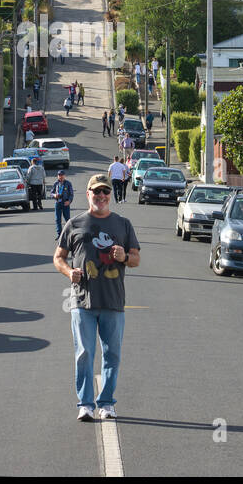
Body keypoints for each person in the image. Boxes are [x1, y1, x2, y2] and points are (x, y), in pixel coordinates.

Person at [53, 173, 141, 421]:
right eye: (96, 191)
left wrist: (124, 256)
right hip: (83, 301)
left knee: (112, 354)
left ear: (110, 195)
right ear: (88, 193)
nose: (101, 196)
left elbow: (136, 259)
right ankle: (85, 404)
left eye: (105, 192)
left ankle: (106, 403)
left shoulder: (123, 224)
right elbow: (58, 257)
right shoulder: (75, 224)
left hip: (113, 301)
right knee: (84, 353)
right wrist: (70, 272)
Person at [50, 169, 75, 238]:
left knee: (67, 219)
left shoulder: (68, 183)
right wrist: (54, 195)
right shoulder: (56, 184)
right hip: (58, 203)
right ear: (57, 176)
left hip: (65, 203)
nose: (61, 177)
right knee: (58, 219)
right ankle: (59, 234)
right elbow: (51, 193)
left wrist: (69, 201)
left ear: (65, 176)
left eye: (62, 175)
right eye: (59, 175)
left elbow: (71, 194)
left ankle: (69, 234)